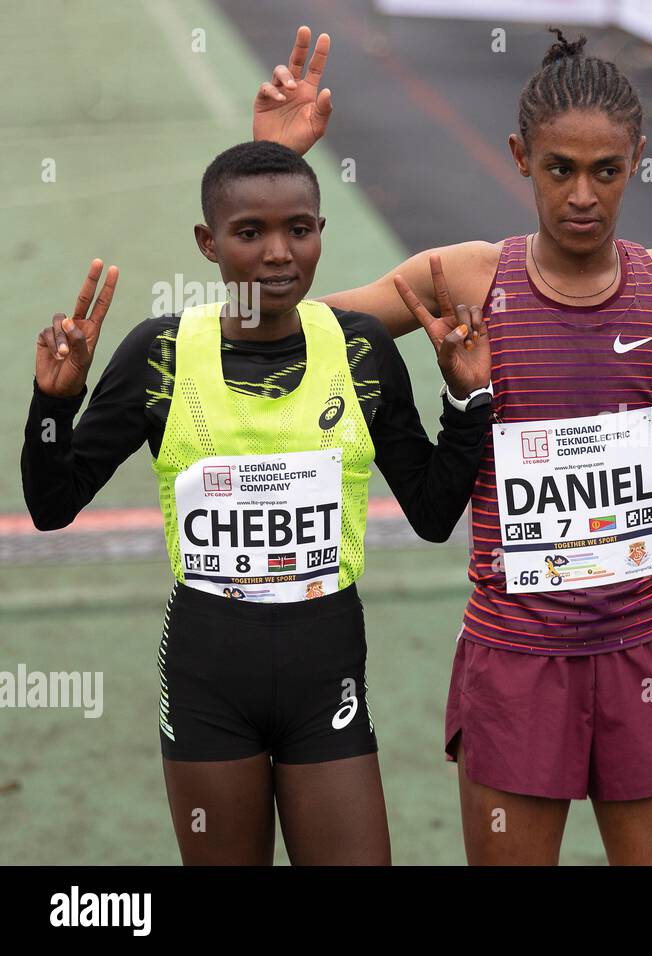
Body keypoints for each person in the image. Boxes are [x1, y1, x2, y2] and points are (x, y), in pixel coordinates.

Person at [252, 24, 652, 865]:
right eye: (561, 169)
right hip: (515, 665)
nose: (584, 195)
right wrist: (267, 163)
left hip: (647, 658)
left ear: (637, 158)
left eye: (607, 171)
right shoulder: (467, 277)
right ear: (521, 156)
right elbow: (282, 330)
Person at [21, 140, 492, 865]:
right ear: (209, 244)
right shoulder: (163, 354)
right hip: (210, 676)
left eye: (298, 229)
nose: (279, 254)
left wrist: (466, 401)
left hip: (326, 674)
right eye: (251, 234)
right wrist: (54, 403)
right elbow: (53, 505)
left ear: (320, 233)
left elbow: (433, 516)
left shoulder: (361, 349)